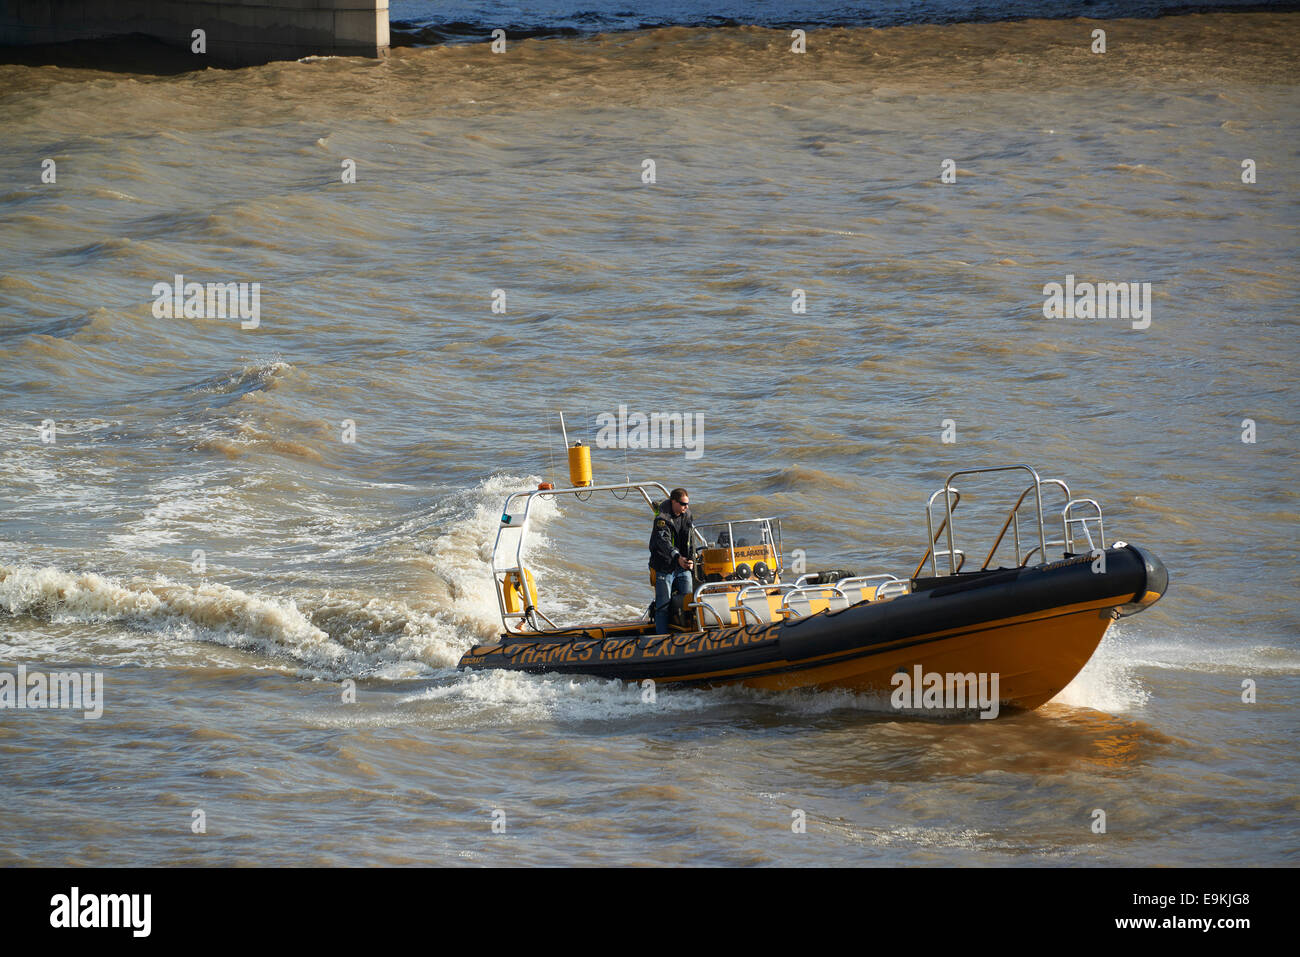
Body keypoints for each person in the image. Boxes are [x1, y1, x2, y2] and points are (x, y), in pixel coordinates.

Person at [649, 487, 694, 634]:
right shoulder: (662, 519)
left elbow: (690, 540)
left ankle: (689, 632)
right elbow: (664, 543)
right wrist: (677, 557)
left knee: (689, 601)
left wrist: (691, 559)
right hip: (664, 566)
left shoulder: (687, 515)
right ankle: (661, 638)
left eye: (687, 504)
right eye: (682, 504)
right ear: (673, 502)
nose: (685, 507)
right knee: (663, 604)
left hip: (682, 566)